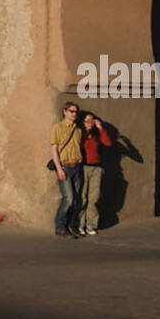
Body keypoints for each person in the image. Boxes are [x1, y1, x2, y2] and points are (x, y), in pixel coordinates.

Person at [49, 101, 84, 237]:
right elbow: (54, 149)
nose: (74, 114)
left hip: (77, 166)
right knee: (68, 199)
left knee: (75, 200)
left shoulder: (78, 130)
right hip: (65, 167)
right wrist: (59, 169)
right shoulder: (57, 128)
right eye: (71, 111)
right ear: (65, 112)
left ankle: (71, 226)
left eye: (76, 112)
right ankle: (60, 226)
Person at [76, 111, 113, 235]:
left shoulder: (96, 135)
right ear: (83, 122)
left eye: (92, 121)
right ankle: (79, 224)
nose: (90, 123)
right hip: (83, 167)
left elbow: (108, 143)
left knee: (94, 197)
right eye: (87, 121)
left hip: (96, 168)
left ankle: (91, 224)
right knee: (83, 197)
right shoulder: (80, 134)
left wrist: (100, 127)